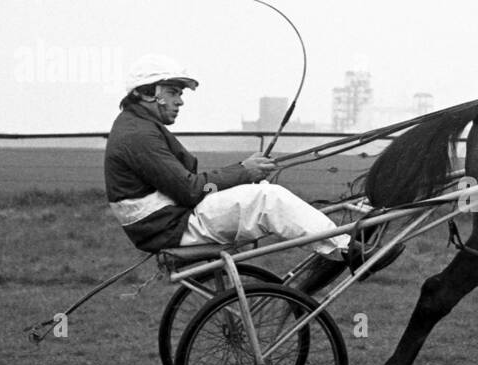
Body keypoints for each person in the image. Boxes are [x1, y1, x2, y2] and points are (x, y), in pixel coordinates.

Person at [104, 52, 356, 292]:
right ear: (148, 93)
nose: (180, 101)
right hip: (174, 228)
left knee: (261, 192)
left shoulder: (136, 126)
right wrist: (245, 172)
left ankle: (337, 246)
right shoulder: (138, 134)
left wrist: (245, 171)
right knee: (268, 198)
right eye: (172, 93)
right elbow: (190, 190)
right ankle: (345, 249)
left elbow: (192, 186)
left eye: (180, 94)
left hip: (170, 223)